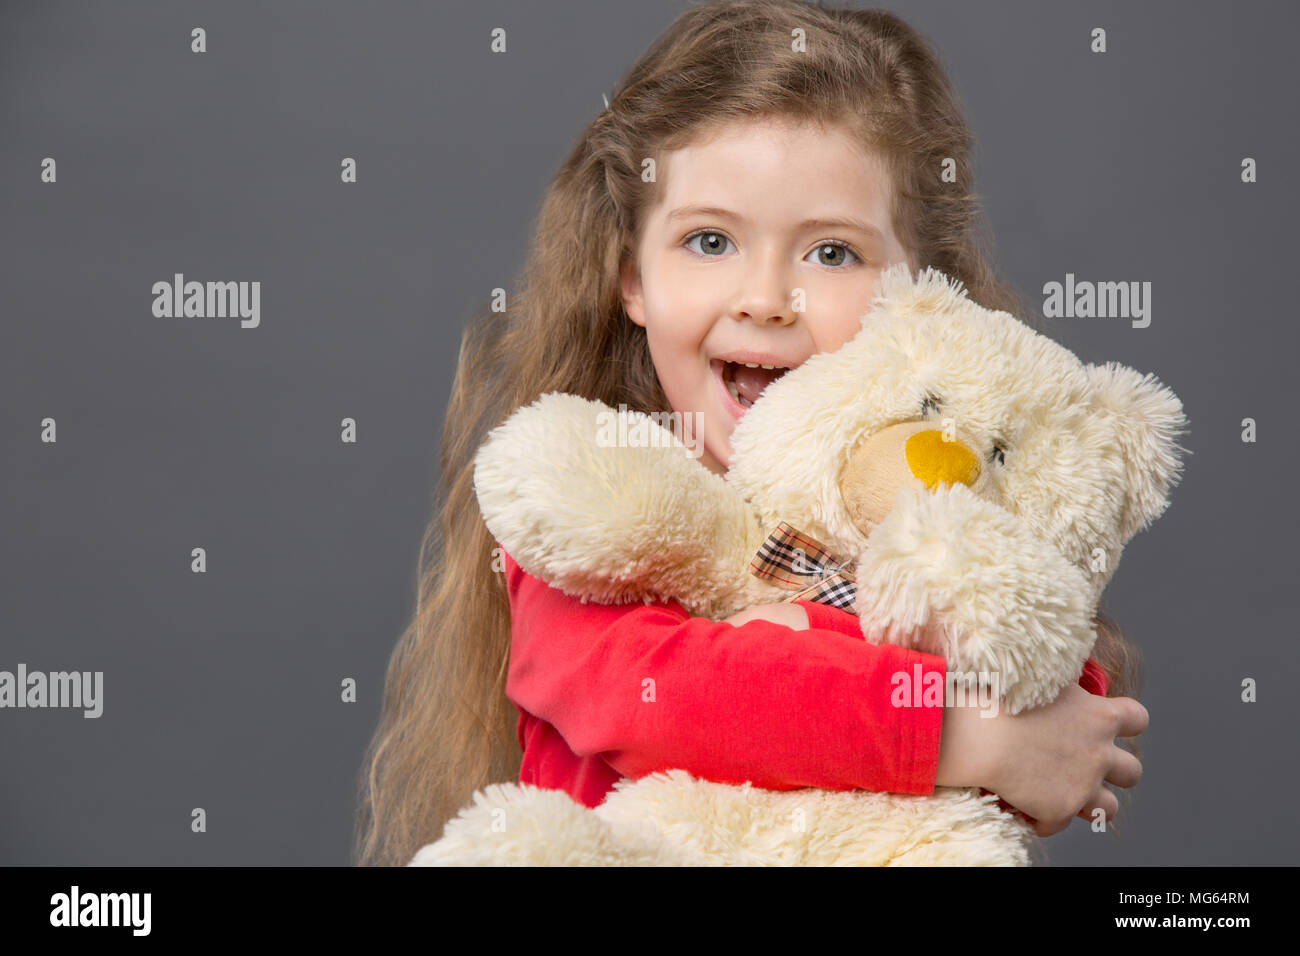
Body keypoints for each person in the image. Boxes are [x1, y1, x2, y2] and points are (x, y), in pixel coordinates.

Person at [354, 0, 1147, 867]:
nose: (766, 296)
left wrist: (1055, 699)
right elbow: (661, 697)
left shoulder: (922, 492)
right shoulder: (590, 510)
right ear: (633, 281)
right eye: (708, 241)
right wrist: (960, 736)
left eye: (832, 253)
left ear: (921, 293)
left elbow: (1042, 673)